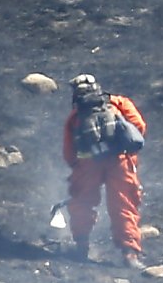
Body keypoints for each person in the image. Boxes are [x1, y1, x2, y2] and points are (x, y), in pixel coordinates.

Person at [61, 73, 147, 268]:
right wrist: (125, 150)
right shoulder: (118, 103)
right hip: (120, 161)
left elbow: (68, 151)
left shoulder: (75, 116)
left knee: (82, 202)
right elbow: (139, 126)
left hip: (88, 163)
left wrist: (77, 166)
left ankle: (81, 246)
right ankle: (130, 254)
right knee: (124, 205)